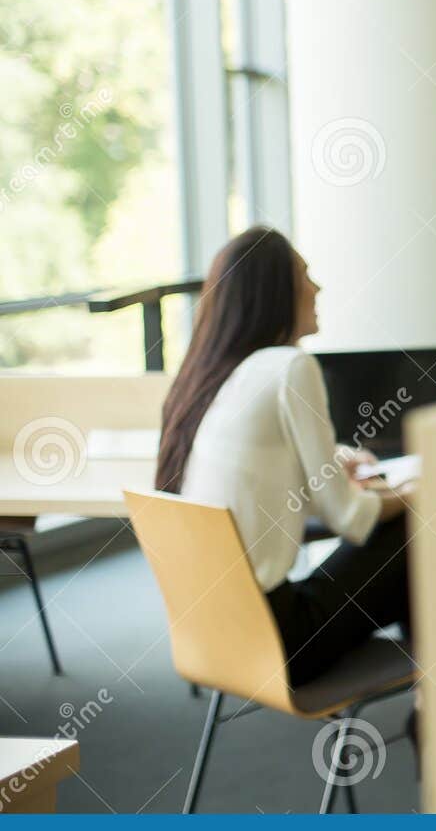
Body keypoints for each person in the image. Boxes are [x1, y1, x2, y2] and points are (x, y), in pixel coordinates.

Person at [155, 227, 413, 689]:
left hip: (219, 637)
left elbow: (259, 474)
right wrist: (420, 492)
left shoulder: (218, 377)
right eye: (305, 276)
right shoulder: (290, 365)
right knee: (419, 530)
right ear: (275, 292)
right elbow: (350, 517)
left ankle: (434, 696)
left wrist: (331, 466)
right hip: (285, 640)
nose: (317, 288)